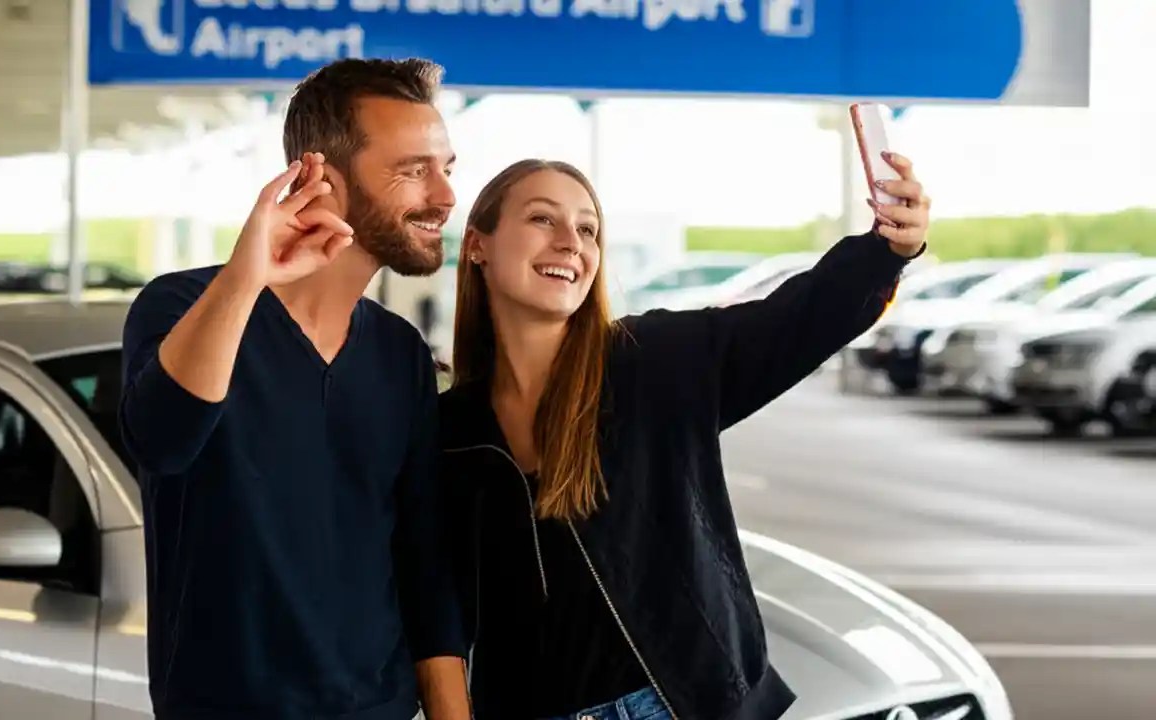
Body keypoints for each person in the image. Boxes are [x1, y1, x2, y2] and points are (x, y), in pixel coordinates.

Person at [439, 157, 930, 720]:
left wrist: (885, 250)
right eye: (542, 220)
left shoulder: (656, 361)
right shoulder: (451, 431)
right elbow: (439, 606)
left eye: (587, 229)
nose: (569, 243)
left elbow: (797, 319)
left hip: (681, 707)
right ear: (477, 244)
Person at [118, 58, 469, 720]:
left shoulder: (401, 356)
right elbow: (162, 441)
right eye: (414, 169)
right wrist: (248, 275)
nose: (446, 196)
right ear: (323, 182)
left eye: (446, 167)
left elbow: (425, 570)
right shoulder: (180, 307)